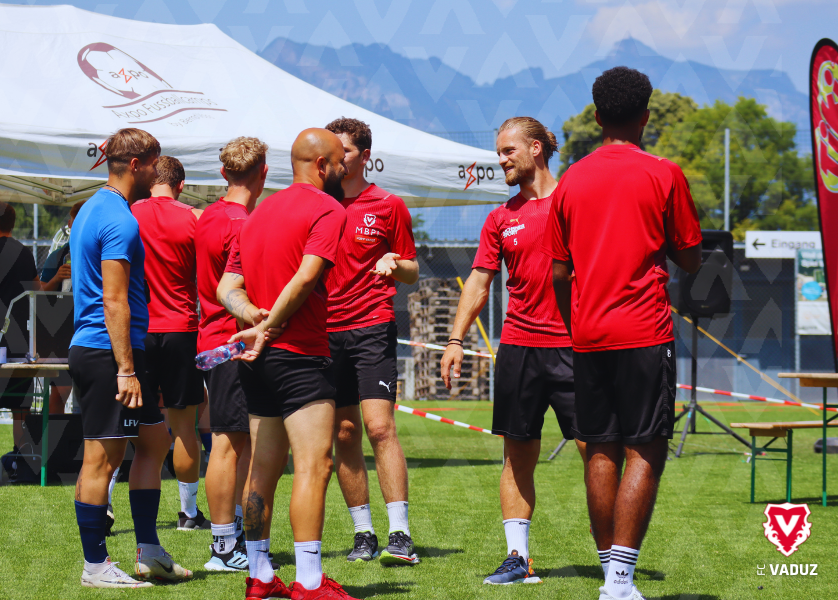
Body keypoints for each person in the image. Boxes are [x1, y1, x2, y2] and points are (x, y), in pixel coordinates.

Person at [543, 67, 702, 600]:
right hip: (644, 332)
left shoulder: (570, 182)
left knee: (601, 452)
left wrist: (576, 320)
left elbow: (559, 272)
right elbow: (690, 258)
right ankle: (619, 581)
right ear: (646, 116)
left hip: (587, 334)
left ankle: (612, 575)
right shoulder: (664, 174)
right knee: (646, 450)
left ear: (595, 116)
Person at [440, 116, 585, 585]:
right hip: (519, 349)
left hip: (574, 348)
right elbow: (480, 281)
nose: (500, 160)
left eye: (507, 151)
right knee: (516, 454)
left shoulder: (576, 203)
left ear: (537, 149)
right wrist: (456, 338)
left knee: (597, 452)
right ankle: (517, 559)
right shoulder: (502, 217)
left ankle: (615, 560)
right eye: (499, 152)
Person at [216, 128, 358, 600]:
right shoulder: (328, 209)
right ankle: (310, 583)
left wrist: (250, 317)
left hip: (258, 360)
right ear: (321, 165)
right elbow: (306, 277)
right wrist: (269, 326)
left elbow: (226, 287)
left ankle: (259, 578)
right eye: (339, 162)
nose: (344, 170)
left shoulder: (255, 215)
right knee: (314, 467)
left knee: (261, 469)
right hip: (299, 355)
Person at [68, 128, 192, 588]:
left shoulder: (94, 208)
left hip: (107, 349)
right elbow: (114, 300)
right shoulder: (119, 219)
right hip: (108, 352)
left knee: (156, 441)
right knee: (102, 458)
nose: (159, 172)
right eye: (155, 163)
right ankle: (96, 566)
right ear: (137, 164)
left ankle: (149, 551)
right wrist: (126, 369)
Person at [323, 117, 420, 565]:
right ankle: (364, 533)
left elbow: (413, 270)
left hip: (372, 325)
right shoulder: (316, 204)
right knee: (344, 433)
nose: (335, 158)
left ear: (364, 154)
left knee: (380, 429)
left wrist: (393, 264)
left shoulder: (388, 204)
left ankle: (399, 532)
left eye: (342, 150)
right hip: (324, 331)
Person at [196, 137, 278, 572]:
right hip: (234, 340)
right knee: (229, 443)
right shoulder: (244, 222)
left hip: (216, 337)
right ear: (263, 172)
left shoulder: (209, 214)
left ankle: (234, 543)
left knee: (236, 442)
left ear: (224, 173)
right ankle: (223, 548)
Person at [131, 156, 209, 531]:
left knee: (128, 424)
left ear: (149, 181)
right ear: (180, 184)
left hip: (138, 331)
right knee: (184, 427)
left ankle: (110, 505)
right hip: (181, 329)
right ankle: (189, 515)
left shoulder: (129, 213)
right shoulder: (194, 218)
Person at [0, 201, 42, 453]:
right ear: (13, 223)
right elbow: (37, 293)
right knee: (20, 408)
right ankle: (21, 459)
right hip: (16, 339)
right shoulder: (23, 253)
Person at [40, 200, 87, 415]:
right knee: (59, 394)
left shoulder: (102, 251)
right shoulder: (58, 255)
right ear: (70, 224)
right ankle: (53, 446)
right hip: (63, 337)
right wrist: (57, 278)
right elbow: (40, 293)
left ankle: (84, 444)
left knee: (89, 397)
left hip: (91, 333)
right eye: (73, 223)